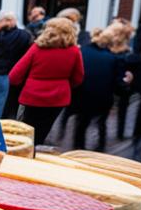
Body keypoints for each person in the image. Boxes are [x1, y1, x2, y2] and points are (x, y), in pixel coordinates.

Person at [9, 17, 84, 145]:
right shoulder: (74, 51)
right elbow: (78, 78)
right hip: (58, 98)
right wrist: (62, 85)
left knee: (25, 132)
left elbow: (14, 76)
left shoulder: (37, 48)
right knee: (42, 131)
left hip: (32, 97)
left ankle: (24, 152)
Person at [74, 25, 131, 151]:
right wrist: (127, 85)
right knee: (101, 124)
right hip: (103, 98)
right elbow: (118, 83)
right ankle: (100, 148)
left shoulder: (82, 51)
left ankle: (78, 147)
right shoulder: (112, 58)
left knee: (82, 124)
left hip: (83, 95)